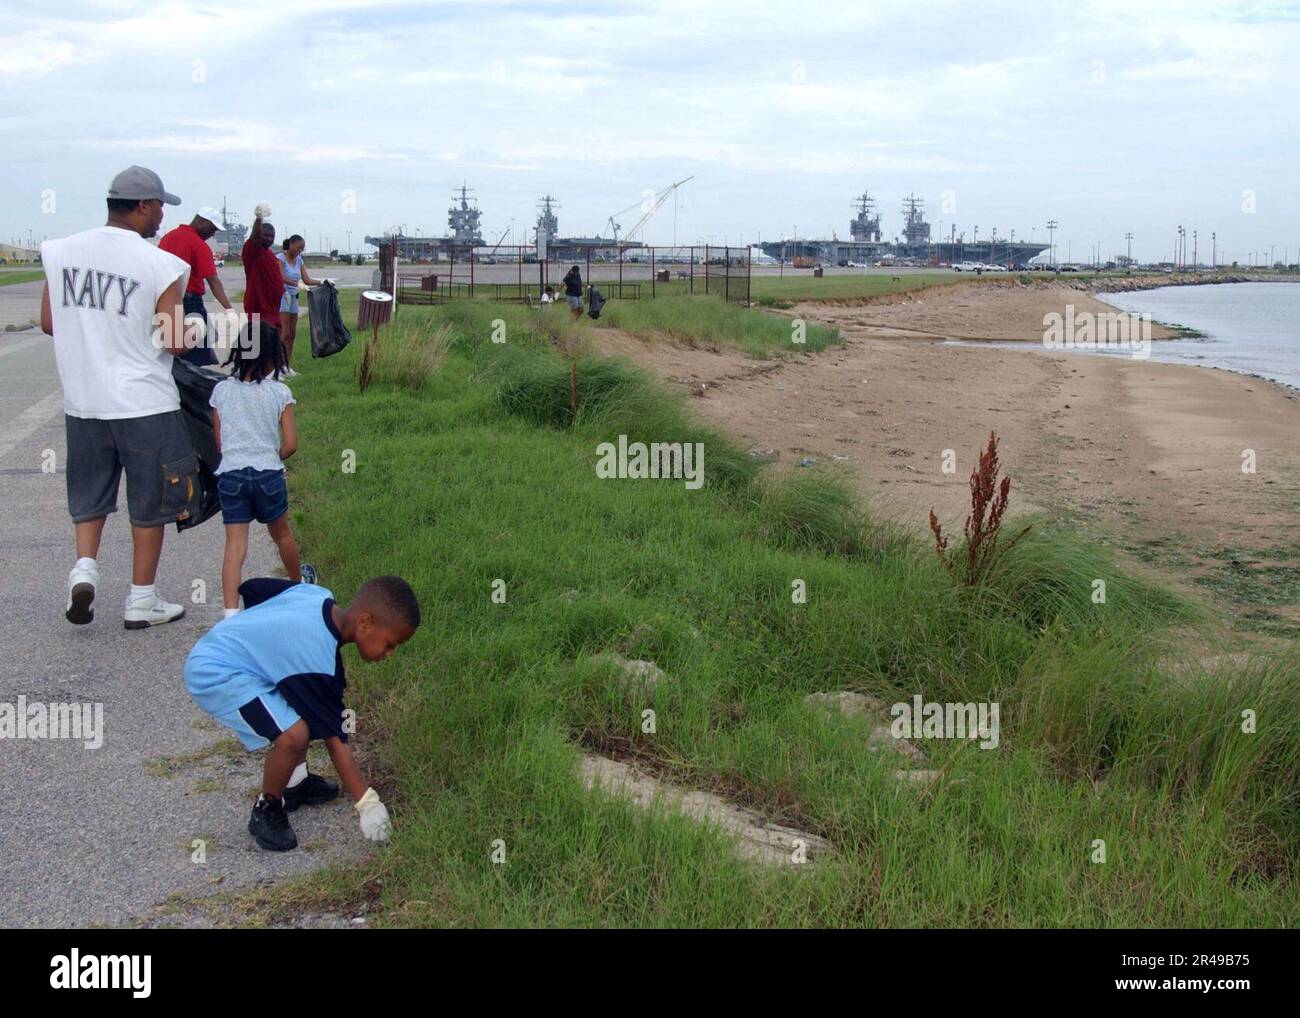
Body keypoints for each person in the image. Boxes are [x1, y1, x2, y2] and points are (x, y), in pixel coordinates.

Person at [39, 165, 199, 629]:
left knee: (90, 496)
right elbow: (173, 341)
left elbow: (51, 322)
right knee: (148, 502)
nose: (162, 220)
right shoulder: (160, 264)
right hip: (144, 401)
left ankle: (84, 569)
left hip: (84, 401)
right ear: (144, 206)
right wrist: (193, 329)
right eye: (160, 209)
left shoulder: (60, 251)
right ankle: (141, 600)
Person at [183, 575, 420, 851]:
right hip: (216, 671)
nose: (390, 653)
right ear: (365, 622)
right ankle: (267, 808)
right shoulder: (317, 658)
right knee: (293, 735)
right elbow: (335, 738)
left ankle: (295, 783)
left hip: (231, 655)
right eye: (390, 644)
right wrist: (367, 802)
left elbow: (257, 589)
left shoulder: (318, 594)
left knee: (304, 702)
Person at [211, 319, 313, 618]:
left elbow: (220, 445)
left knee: (235, 545)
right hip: (268, 473)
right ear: (272, 359)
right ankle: (298, 587)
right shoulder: (279, 393)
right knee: (282, 535)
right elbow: (291, 444)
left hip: (231, 475)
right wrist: (273, 455)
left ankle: (230, 611)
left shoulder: (221, 391)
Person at [159, 206, 235, 366]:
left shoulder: (167, 237)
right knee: (196, 354)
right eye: (212, 228)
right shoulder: (199, 245)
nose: (213, 233)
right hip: (190, 304)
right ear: (201, 221)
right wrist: (228, 308)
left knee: (169, 351)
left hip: (164, 302)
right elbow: (213, 280)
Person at [241, 203, 282, 357]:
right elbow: (254, 236)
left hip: (273, 308)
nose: (269, 239)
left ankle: (272, 372)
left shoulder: (270, 255)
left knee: (274, 343)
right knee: (258, 346)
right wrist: (259, 218)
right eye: (266, 235)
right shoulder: (252, 251)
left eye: (272, 236)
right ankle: (253, 374)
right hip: (258, 308)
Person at [276, 235, 320, 376]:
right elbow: (281, 277)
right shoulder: (280, 258)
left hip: (294, 297)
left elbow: (306, 279)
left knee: (292, 334)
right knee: (284, 333)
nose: (299, 251)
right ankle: (276, 366)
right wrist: (296, 284)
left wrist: (322, 282)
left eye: (302, 249)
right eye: (298, 247)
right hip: (283, 296)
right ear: (290, 244)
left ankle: (287, 365)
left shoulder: (299, 260)